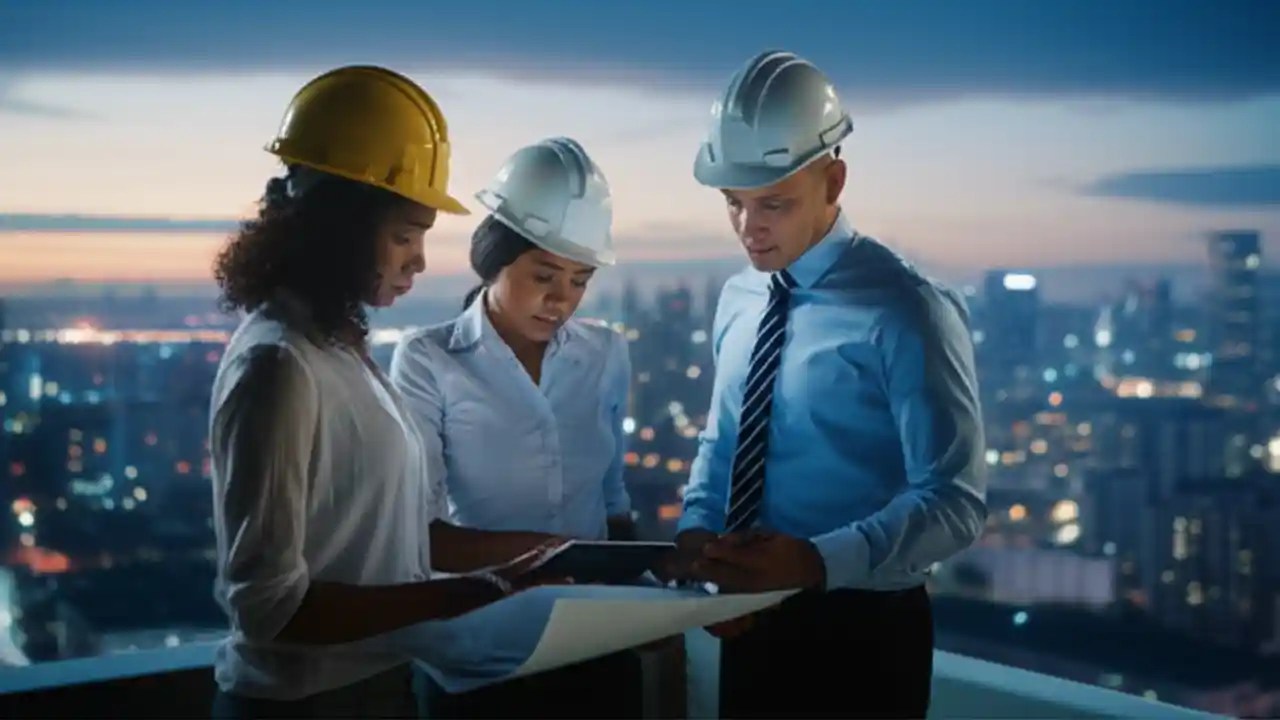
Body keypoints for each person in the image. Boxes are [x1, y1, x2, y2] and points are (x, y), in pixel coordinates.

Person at [208, 66, 568, 719]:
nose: (420, 260)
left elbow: (396, 539)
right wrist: (457, 598)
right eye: (405, 235)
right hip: (305, 706)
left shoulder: (339, 350)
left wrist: (532, 555)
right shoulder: (279, 368)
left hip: (375, 690)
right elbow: (267, 607)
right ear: (341, 226)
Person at [665, 50, 989, 719]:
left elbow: (956, 501)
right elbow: (723, 442)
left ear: (833, 180)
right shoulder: (739, 298)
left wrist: (815, 562)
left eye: (773, 205)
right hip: (749, 621)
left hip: (864, 633)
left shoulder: (906, 308)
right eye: (733, 204)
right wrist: (699, 538)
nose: (748, 229)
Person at [391, 137, 644, 718]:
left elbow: (612, 502)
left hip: (595, 649)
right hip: (479, 652)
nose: (561, 301)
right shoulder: (430, 360)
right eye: (544, 276)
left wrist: (647, 585)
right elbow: (421, 534)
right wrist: (547, 556)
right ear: (493, 258)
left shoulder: (605, 354)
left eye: (579, 281)